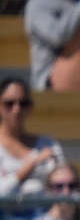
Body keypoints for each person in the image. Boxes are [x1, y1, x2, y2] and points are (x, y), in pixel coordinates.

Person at [0, 77, 66, 212]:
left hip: (42, 218)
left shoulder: (48, 144)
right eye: (9, 103)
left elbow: (63, 186)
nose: (16, 109)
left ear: (30, 108)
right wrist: (32, 164)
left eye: (23, 103)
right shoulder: (43, 152)